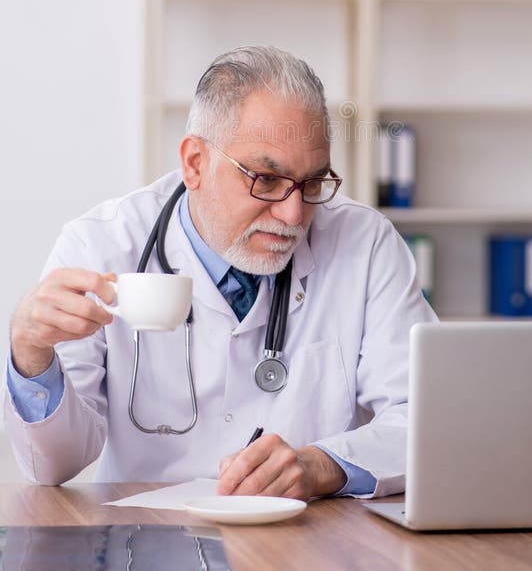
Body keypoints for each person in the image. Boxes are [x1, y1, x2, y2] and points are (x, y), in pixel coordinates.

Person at [4, 46, 436, 498]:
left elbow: (426, 419)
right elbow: (53, 465)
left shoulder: (366, 244)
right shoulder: (99, 245)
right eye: (266, 179)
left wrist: (323, 464)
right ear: (195, 163)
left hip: (309, 528)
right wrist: (31, 354)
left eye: (311, 183)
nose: (293, 214)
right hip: (144, 530)